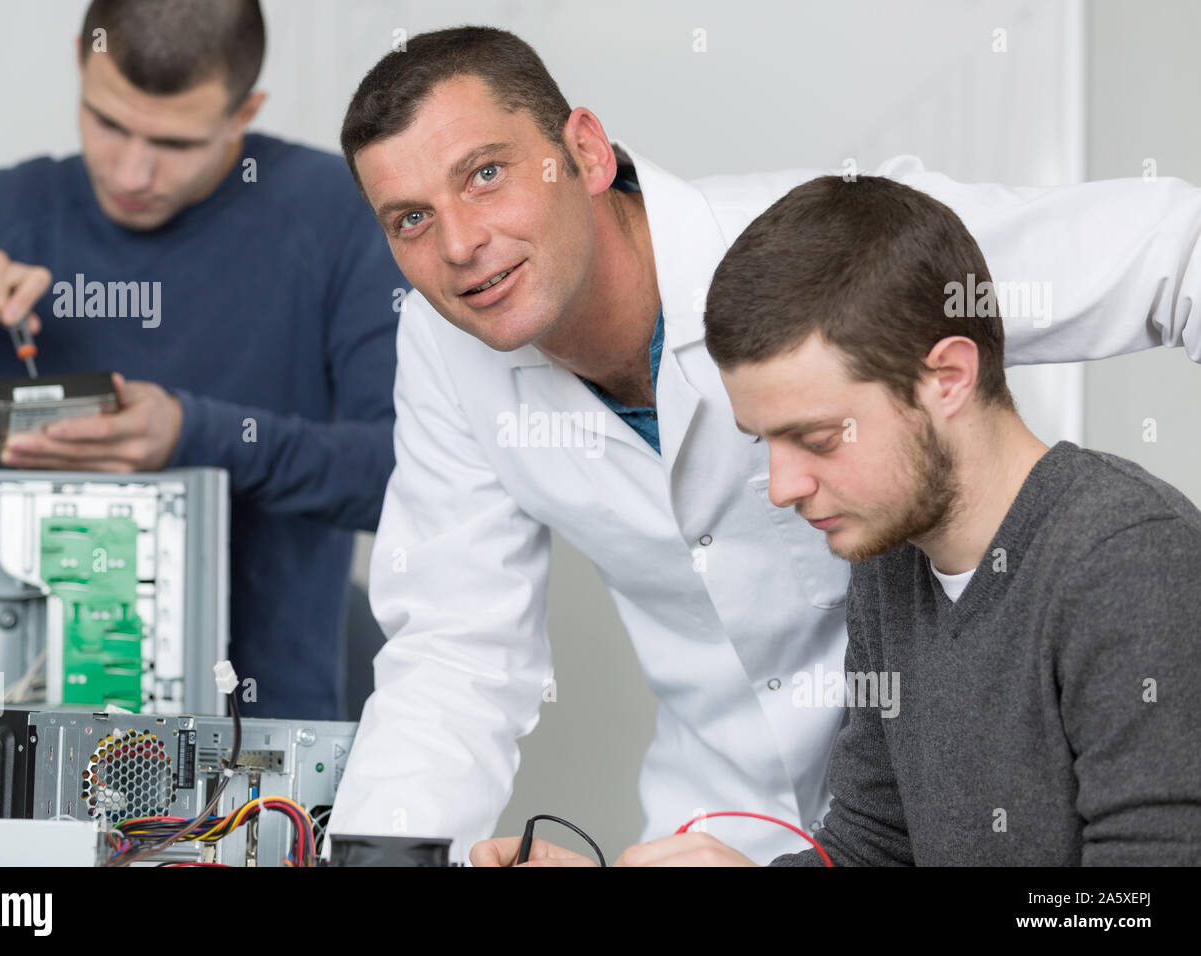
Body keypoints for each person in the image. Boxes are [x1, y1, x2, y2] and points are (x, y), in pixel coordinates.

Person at [327, 25, 1201, 865]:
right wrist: (384, 855)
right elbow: (455, 647)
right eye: (408, 219)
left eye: (485, 174)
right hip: (739, 828)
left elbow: (1173, 251)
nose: (458, 244)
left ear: (587, 152)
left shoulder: (828, 259)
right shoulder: (448, 350)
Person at [491, 175, 1201, 866]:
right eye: (762, 441)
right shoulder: (890, 556)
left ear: (948, 377)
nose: (781, 487)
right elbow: (873, 845)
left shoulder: (1127, 561)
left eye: (819, 440)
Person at [0, 0, 403, 720]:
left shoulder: (338, 217)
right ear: (81, 60)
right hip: (11, 730)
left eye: (173, 142)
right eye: (108, 122)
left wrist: (191, 437)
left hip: (261, 749)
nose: (132, 172)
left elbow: (402, 478)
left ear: (243, 111)